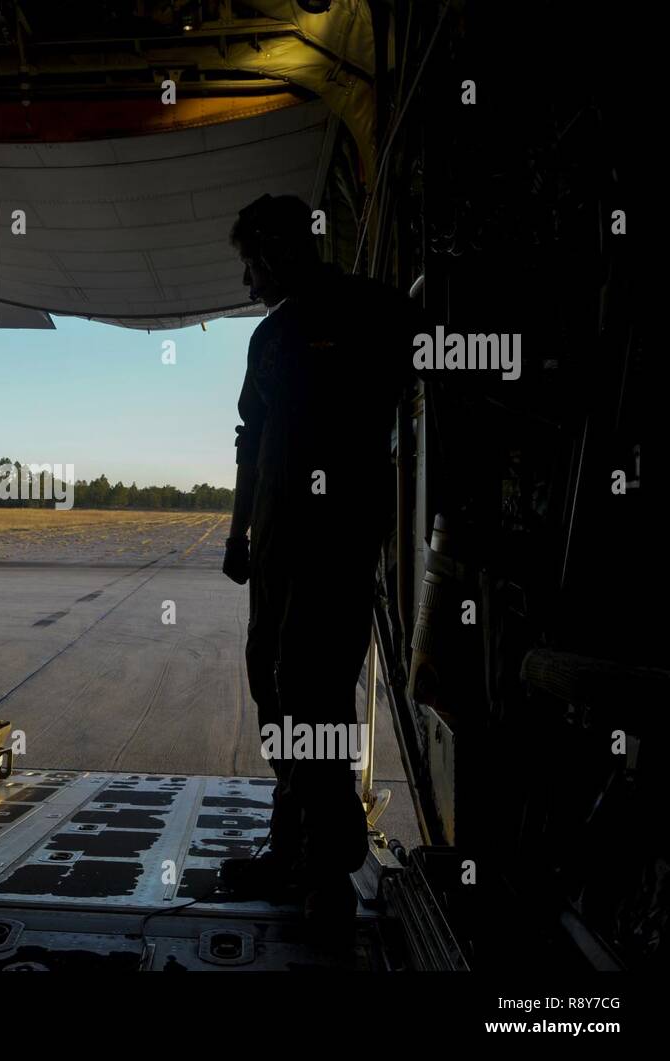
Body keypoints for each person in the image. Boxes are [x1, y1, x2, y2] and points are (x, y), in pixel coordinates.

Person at [219, 193, 414, 944]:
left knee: (314, 698)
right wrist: (239, 537)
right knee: (275, 689)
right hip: (275, 547)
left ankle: (329, 869)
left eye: (250, 263)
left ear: (276, 251)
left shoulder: (376, 314)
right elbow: (250, 440)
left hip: (334, 545)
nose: (247, 281)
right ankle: (297, 847)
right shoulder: (269, 340)